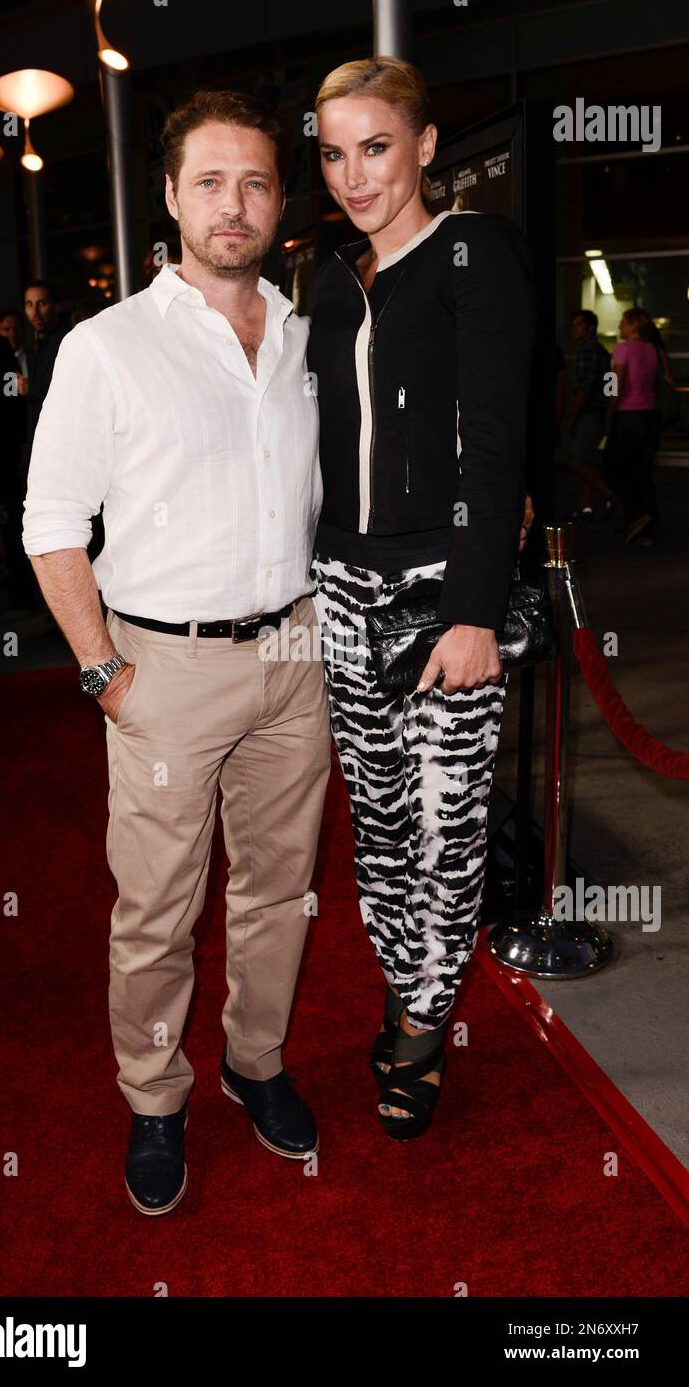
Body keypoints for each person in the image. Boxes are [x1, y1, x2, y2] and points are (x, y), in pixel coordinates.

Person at [22, 89, 331, 1215]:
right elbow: (50, 522)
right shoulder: (108, 346)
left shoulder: (308, 332)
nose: (233, 204)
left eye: (254, 181)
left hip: (297, 654)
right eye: (210, 181)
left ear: (278, 198)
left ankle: (256, 1063)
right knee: (157, 905)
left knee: (279, 889)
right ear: (170, 197)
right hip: (164, 666)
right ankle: (156, 1098)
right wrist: (103, 669)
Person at [307, 56, 536, 1141]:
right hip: (341, 583)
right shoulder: (334, 278)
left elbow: (496, 441)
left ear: (426, 145)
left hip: (443, 590)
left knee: (448, 833)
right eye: (334, 152)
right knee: (383, 827)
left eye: (377, 147)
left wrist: (476, 608)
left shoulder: (471, 252)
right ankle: (409, 988)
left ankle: (420, 1024)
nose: (355, 174)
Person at [603, 306, 661, 546]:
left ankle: (636, 515)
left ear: (634, 326)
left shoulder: (622, 348)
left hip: (628, 416)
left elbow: (615, 382)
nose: (619, 326)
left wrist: (609, 412)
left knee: (613, 467)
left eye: (624, 322)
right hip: (651, 415)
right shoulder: (653, 350)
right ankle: (644, 524)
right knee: (643, 471)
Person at [562, 309, 615, 522]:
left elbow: (584, 388)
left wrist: (571, 417)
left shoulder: (589, 351)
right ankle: (585, 508)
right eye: (573, 324)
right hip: (597, 412)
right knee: (587, 460)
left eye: (579, 324)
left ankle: (608, 493)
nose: (574, 328)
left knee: (574, 459)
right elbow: (610, 386)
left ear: (590, 327)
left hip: (588, 413)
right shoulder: (601, 351)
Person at [19, 280, 70, 457]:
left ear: (56, 307)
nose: (35, 312)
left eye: (42, 303)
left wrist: (29, 390)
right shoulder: (34, 346)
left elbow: (69, 391)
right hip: (38, 437)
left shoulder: (67, 342)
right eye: (29, 304)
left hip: (61, 439)